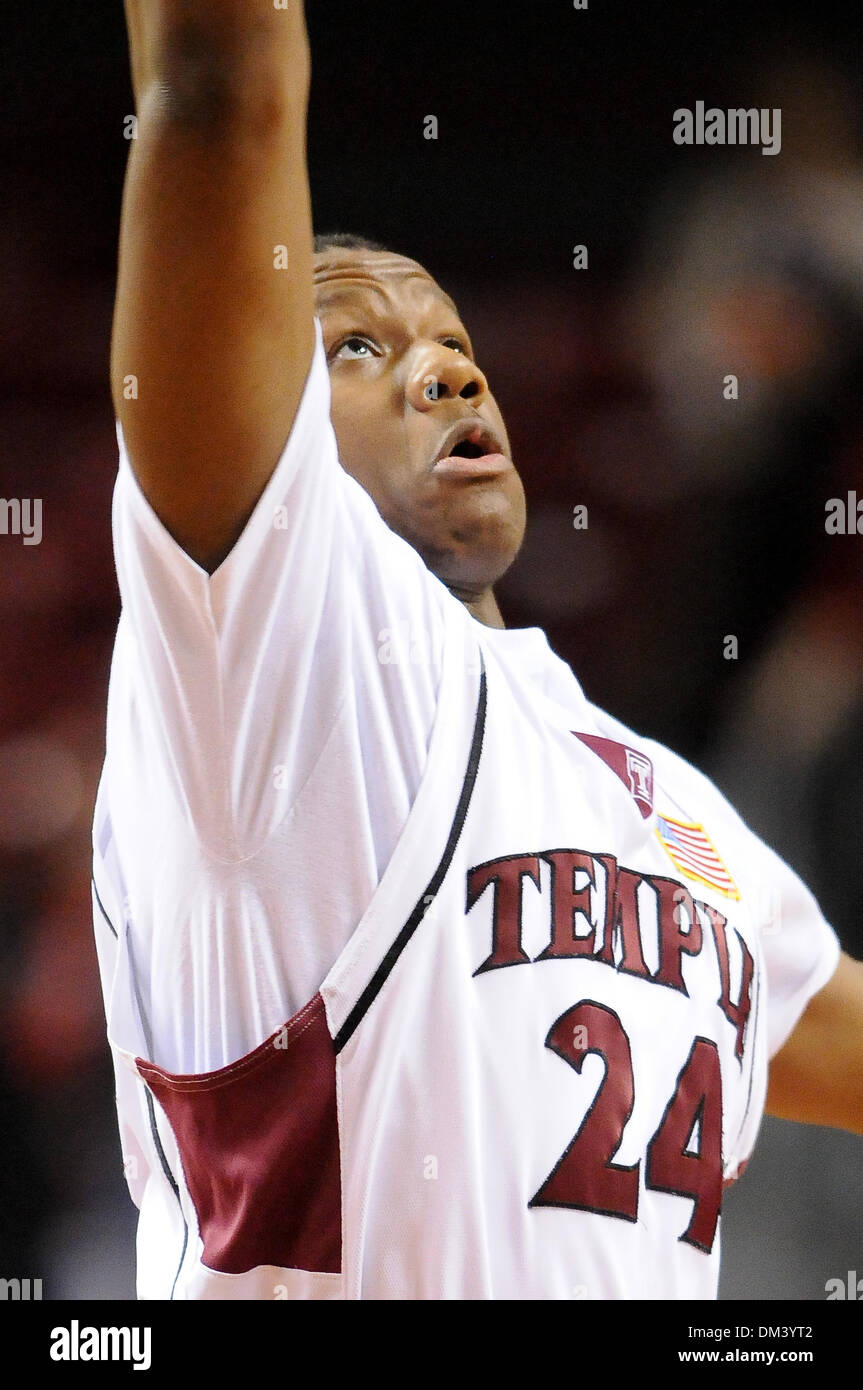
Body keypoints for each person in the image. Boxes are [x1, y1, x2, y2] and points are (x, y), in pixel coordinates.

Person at [92, 1, 863, 1300]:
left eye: (455, 343)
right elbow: (221, 84)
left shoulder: (681, 814)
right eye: (357, 347)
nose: (447, 373)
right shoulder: (272, 649)